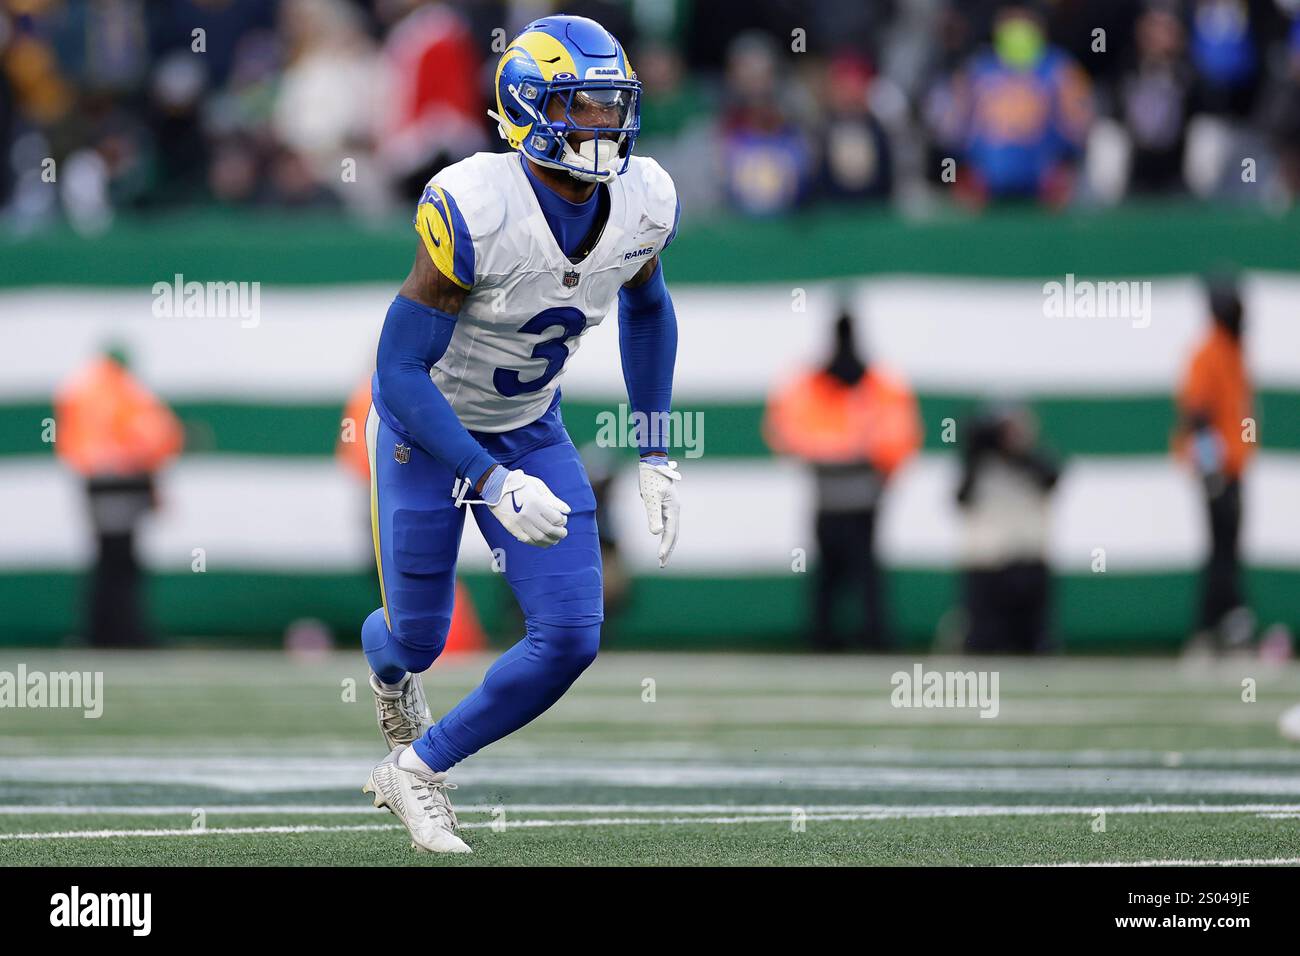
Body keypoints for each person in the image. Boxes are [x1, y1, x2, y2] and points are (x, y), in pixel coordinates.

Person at [357, 16, 681, 853]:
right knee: (418, 639)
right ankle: (387, 668)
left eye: (614, 108)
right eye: (585, 108)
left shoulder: (643, 198)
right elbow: (398, 374)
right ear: (531, 110)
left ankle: (417, 770)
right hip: (424, 432)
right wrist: (489, 481)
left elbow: (649, 308)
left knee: (572, 636)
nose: (605, 127)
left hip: (530, 426)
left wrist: (654, 447)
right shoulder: (475, 203)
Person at [763, 310, 921, 651]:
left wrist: (839, 453)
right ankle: (836, 637)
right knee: (842, 575)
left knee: (855, 574)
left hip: (855, 496)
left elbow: (899, 437)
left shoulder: (873, 385)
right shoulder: (817, 384)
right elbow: (784, 430)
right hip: (841, 495)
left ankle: (863, 637)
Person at [54, 346, 183, 647]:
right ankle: (125, 632)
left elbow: (71, 445)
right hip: (123, 484)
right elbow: (157, 438)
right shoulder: (125, 394)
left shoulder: (79, 392)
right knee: (122, 562)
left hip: (95, 485)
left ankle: (102, 633)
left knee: (107, 560)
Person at [1175, 275, 1255, 652]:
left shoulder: (1235, 351)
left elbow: (1244, 414)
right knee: (1221, 547)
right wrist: (1210, 470)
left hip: (1235, 468)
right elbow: (1198, 414)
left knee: (1229, 547)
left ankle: (1221, 626)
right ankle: (1214, 627)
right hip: (1218, 470)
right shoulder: (1207, 352)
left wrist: (1246, 451)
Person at [954, 403, 1060, 654]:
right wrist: (978, 453)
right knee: (983, 644)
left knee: (1034, 644)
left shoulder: (1037, 460)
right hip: (987, 565)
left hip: (1028, 563)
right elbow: (961, 499)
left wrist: (1015, 453)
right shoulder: (978, 463)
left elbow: (1050, 479)